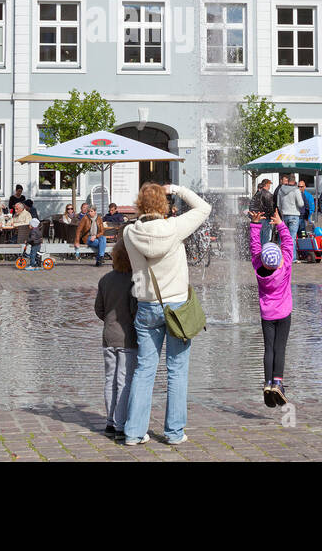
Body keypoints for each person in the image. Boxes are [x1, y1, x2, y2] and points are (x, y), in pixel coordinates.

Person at [121, 182, 211, 447]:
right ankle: (173, 433)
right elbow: (204, 207)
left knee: (144, 369)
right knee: (177, 370)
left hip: (146, 305)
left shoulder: (129, 232)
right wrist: (178, 189)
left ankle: (134, 433)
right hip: (177, 307)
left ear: (139, 203)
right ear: (165, 204)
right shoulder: (175, 226)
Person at [249, 209, 294, 407]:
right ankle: (278, 383)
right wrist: (280, 224)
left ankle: (267, 383)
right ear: (280, 261)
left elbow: (254, 246)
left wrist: (255, 224)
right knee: (280, 348)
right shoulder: (285, 267)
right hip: (283, 313)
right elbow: (289, 243)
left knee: (268, 348)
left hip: (267, 314)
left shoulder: (258, 265)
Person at [94, 243, 139, 438]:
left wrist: (109, 321)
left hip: (108, 335)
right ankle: (121, 424)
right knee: (124, 380)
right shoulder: (134, 281)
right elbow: (135, 310)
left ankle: (110, 421)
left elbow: (99, 309)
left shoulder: (105, 280)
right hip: (127, 336)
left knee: (109, 380)